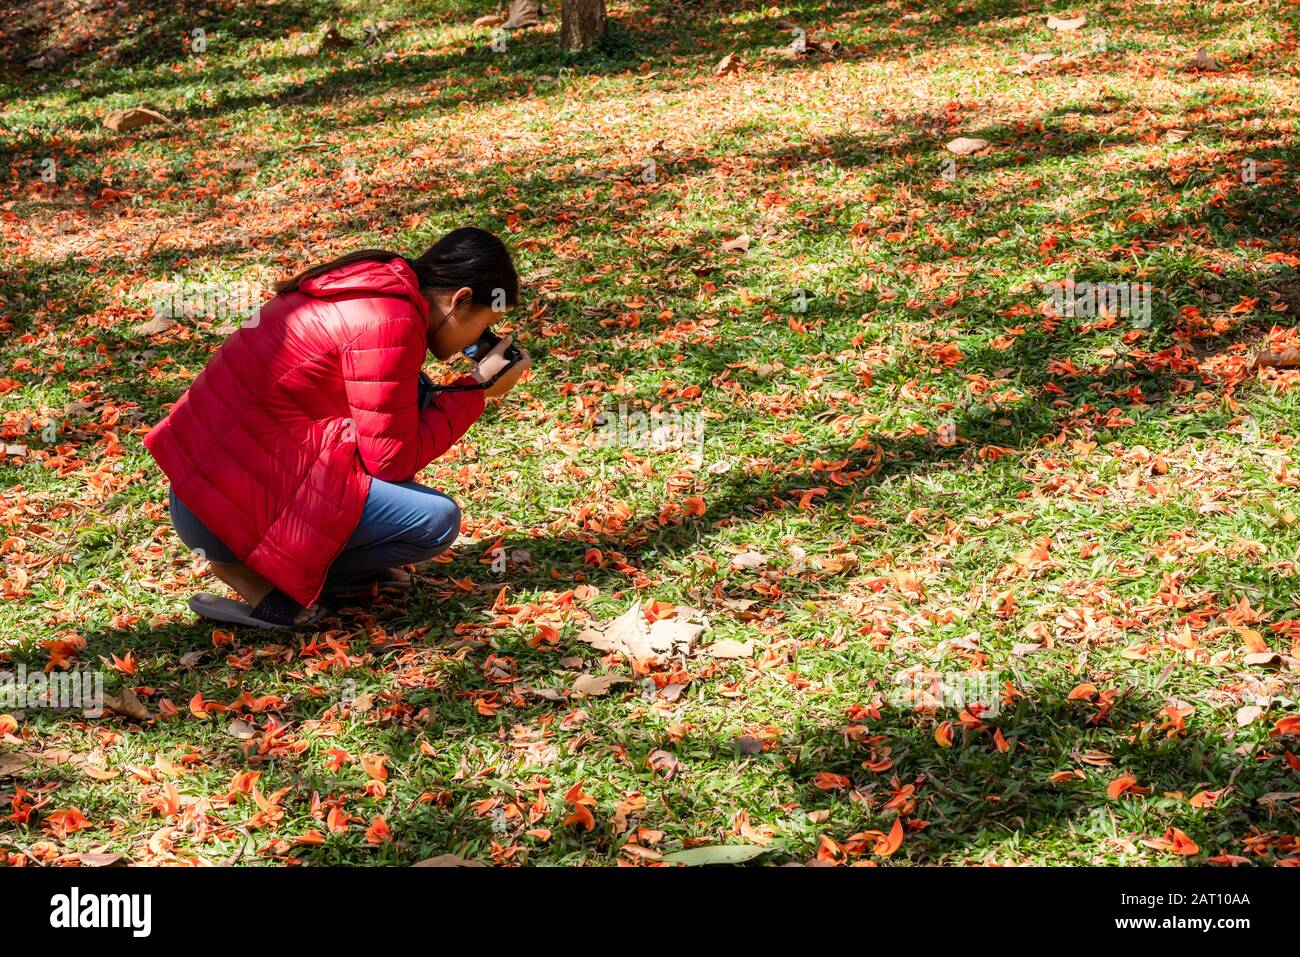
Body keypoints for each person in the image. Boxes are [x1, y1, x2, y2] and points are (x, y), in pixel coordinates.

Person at [144, 227, 531, 629]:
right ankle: (251, 574)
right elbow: (391, 462)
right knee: (436, 521)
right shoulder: (390, 321)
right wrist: (476, 391)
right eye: (485, 324)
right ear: (460, 299)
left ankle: (318, 571)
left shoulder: (377, 283)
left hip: (201, 486)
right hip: (222, 512)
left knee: (416, 394)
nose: (481, 338)